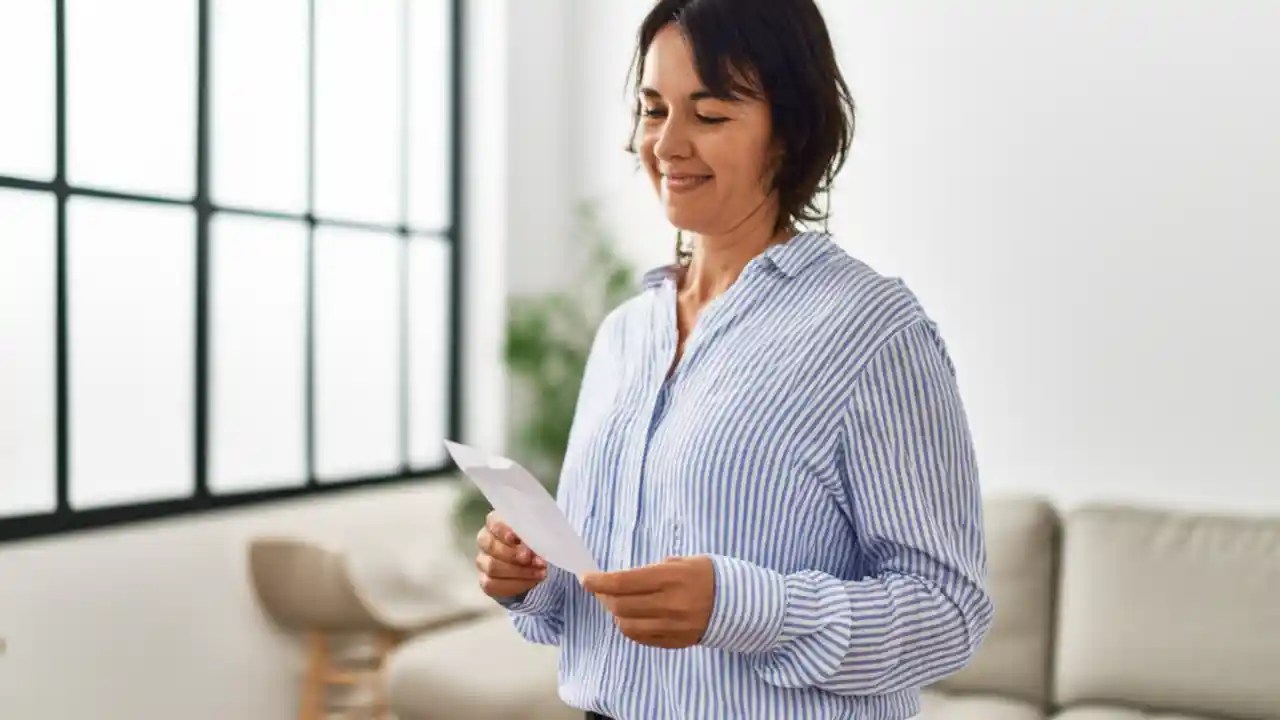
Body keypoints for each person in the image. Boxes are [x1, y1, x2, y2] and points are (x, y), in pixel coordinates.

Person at [473, 0, 993, 717]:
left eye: (709, 115)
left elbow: (949, 615)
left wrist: (744, 606)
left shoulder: (872, 330)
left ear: (789, 132)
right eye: (654, 109)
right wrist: (528, 580)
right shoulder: (625, 335)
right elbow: (586, 609)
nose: (667, 144)